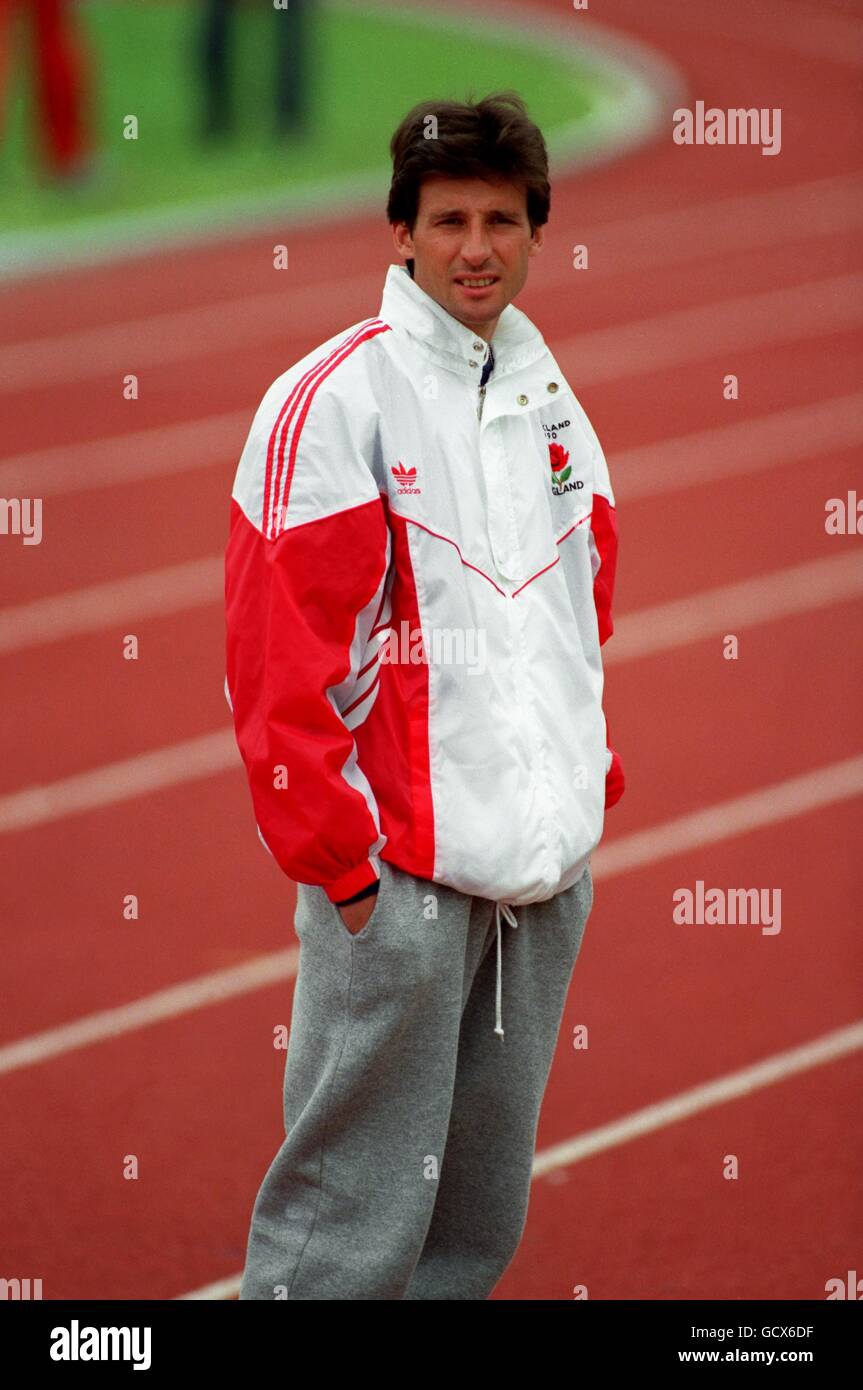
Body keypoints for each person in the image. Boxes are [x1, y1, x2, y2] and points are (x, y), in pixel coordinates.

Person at [224, 90, 625, 1301]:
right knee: (347, 1224)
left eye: (501, 220)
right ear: (398, 230)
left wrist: (575, 794)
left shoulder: (550, 401)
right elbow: (276, 661)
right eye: (447, 218)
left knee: (471, 1223)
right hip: (396, 881)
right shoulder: (333, 401)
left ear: (534, 233)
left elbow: (582, 613)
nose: (475, 247)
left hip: (535, 883)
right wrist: (346, 872)